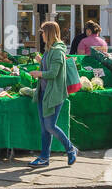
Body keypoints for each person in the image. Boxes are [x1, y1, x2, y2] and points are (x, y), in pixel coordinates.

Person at [25, 20, 79, 169]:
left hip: (54, 94)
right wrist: (41, 61)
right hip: (44, 92)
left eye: (42, 32)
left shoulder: (57, 50)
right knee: (44, 128)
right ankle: (44, 157)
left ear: (48, 33)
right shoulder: (50, 49)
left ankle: (70, 149)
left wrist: (38, 73)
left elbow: (54, 73)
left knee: (50, 126)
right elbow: (50, 66)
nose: (41, 35)